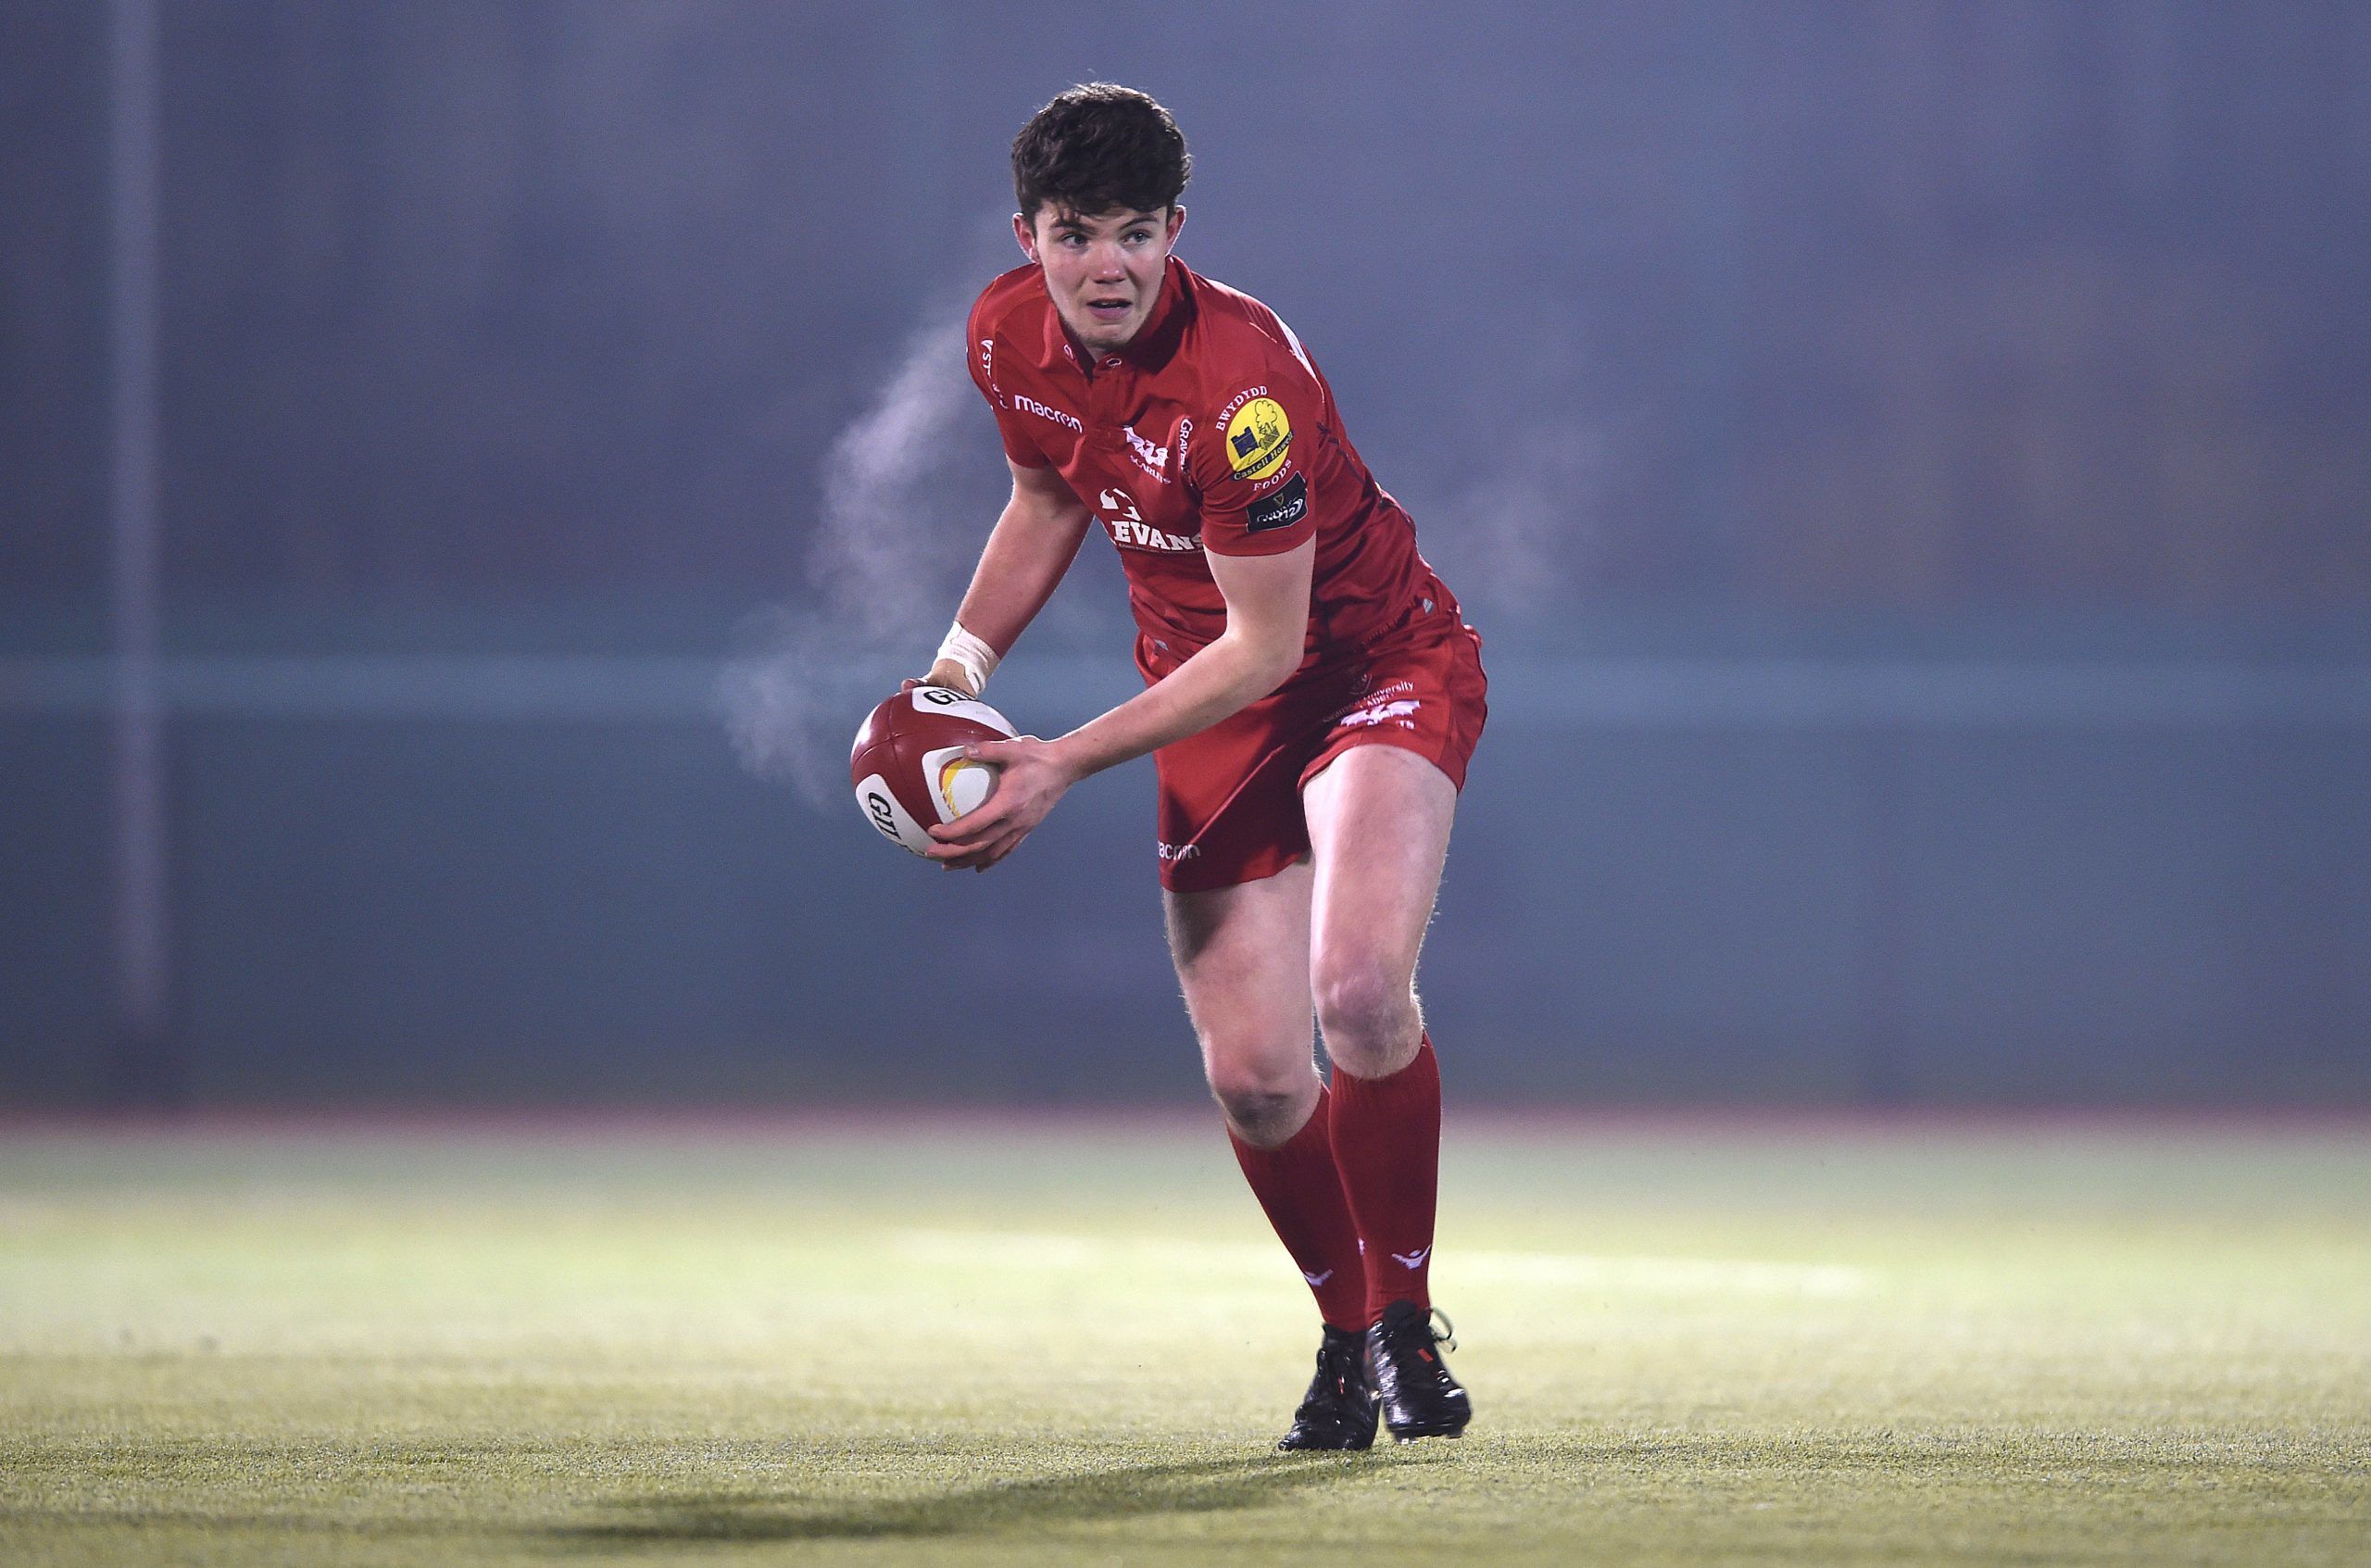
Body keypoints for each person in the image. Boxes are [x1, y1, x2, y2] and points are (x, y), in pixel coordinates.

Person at [913, 82, 1486, 1449]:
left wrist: (1056, 761)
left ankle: (1405, 1325)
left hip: (1366, 666)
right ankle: (1344, 1339)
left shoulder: (1243, 388)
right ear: (1028, 237)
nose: (1105, 264)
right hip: (1211, 702)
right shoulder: (1003, 333)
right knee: (1258, 1083)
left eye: (1133, 232)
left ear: (1177, 229)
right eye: (1075, 233)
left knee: (1358, 996)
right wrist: (953, 677)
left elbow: (1267, 646)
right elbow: (1045, 495)